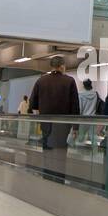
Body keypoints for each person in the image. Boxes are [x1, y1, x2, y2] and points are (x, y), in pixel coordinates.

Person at [29, 56, 80, 185]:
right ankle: (59, 180)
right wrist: (75, 128)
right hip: (63, 125)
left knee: (47, 152)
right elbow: (75, 106)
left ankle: (47, 178)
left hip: (46, 124)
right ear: (62, 66)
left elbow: (32, 104)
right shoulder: (69, 81)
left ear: (51, 67)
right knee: (61, 155)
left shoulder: (41, 80)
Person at [76, 78, 100, 146]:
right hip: (93, 118)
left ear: (83, 85)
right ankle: (95, 153)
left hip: (83, 119)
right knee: (93, 137)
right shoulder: (95, 93)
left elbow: (80, 109)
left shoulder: (80, 94)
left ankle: (80, 154)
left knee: (81, 137)